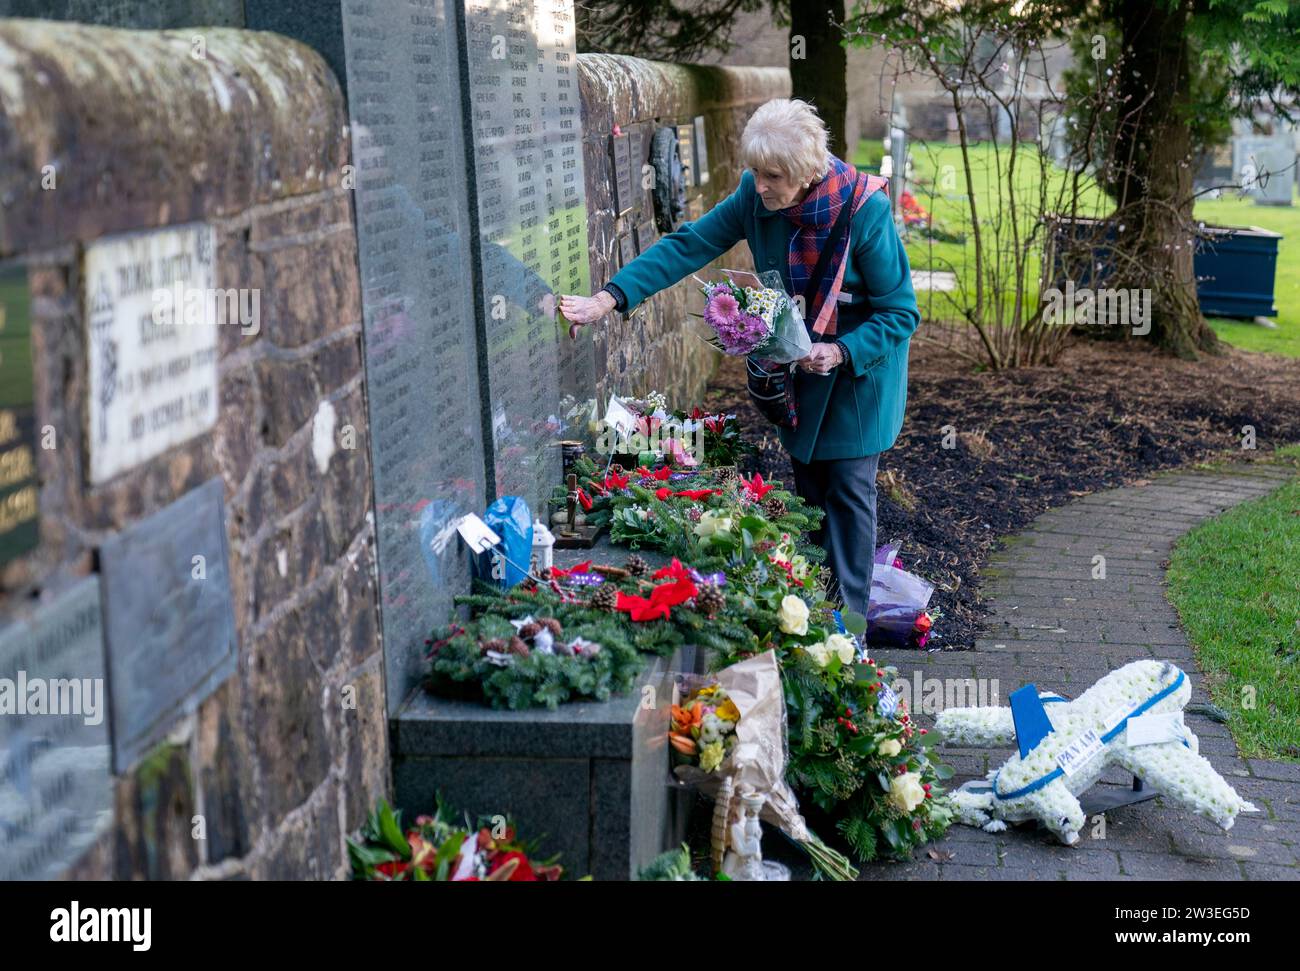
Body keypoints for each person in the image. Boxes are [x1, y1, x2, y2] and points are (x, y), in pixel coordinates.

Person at [559, 99, 919, 616]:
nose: (760, 184)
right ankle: (812, 628)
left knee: (847, 498)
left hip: (858, 383)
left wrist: (840, 350)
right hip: (800, 378)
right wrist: (609, 297)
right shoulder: (757, 198)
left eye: (773, 175)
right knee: (808, 504)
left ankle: (852, 638)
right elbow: (689, 244)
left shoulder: (866, 212)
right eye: (755, 171)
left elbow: (900, 312)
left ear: (808, 171)